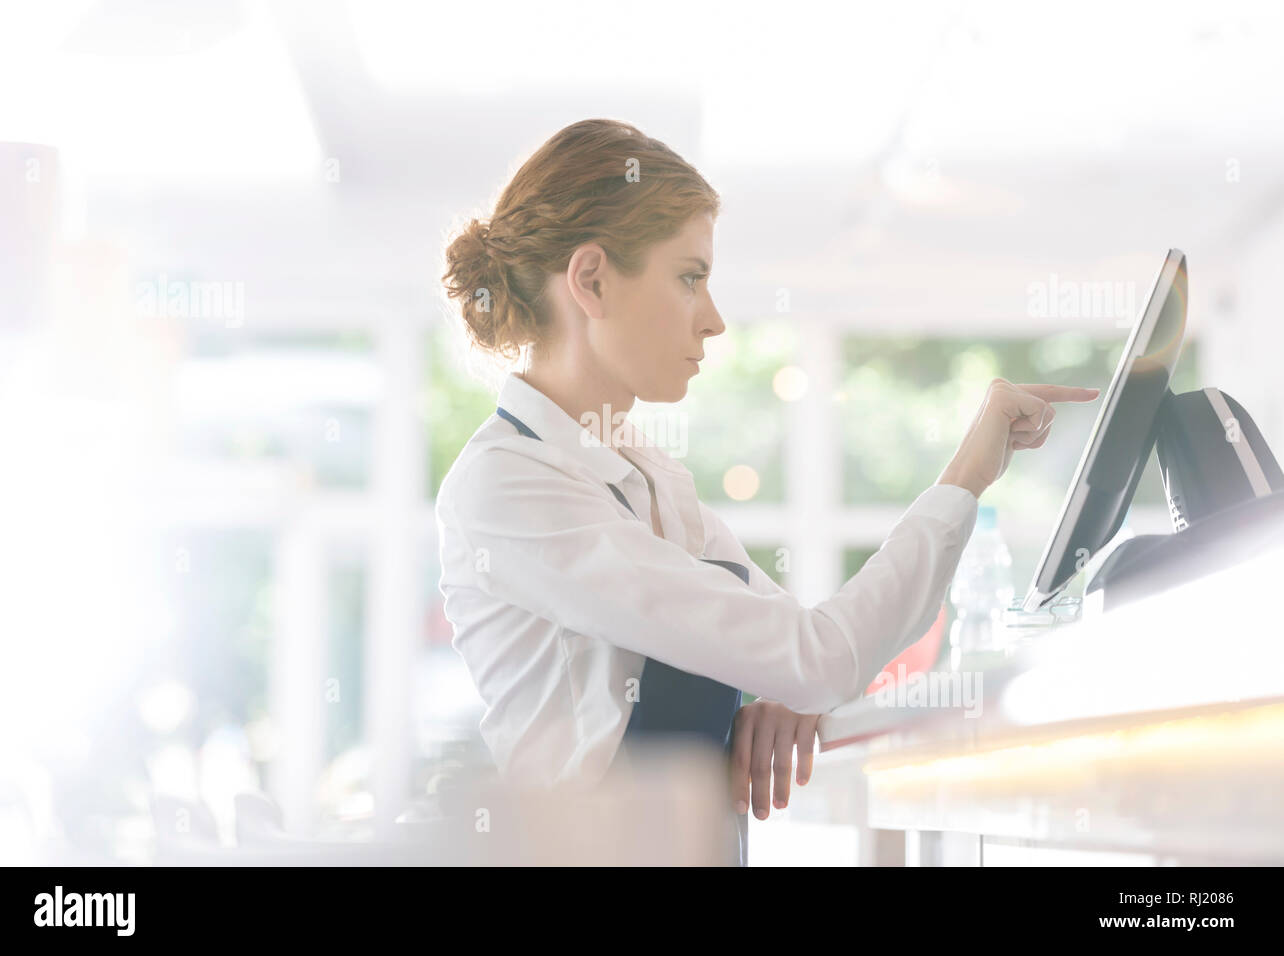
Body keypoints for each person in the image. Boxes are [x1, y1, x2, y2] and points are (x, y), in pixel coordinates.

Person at [435, 118, 1098, 862]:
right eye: (689, 277)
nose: (713, 320)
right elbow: (821, 657)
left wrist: (778, 686)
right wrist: (968, 473)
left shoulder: (655, 478)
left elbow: (811, 654)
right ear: (591, 280)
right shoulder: (509, 484)